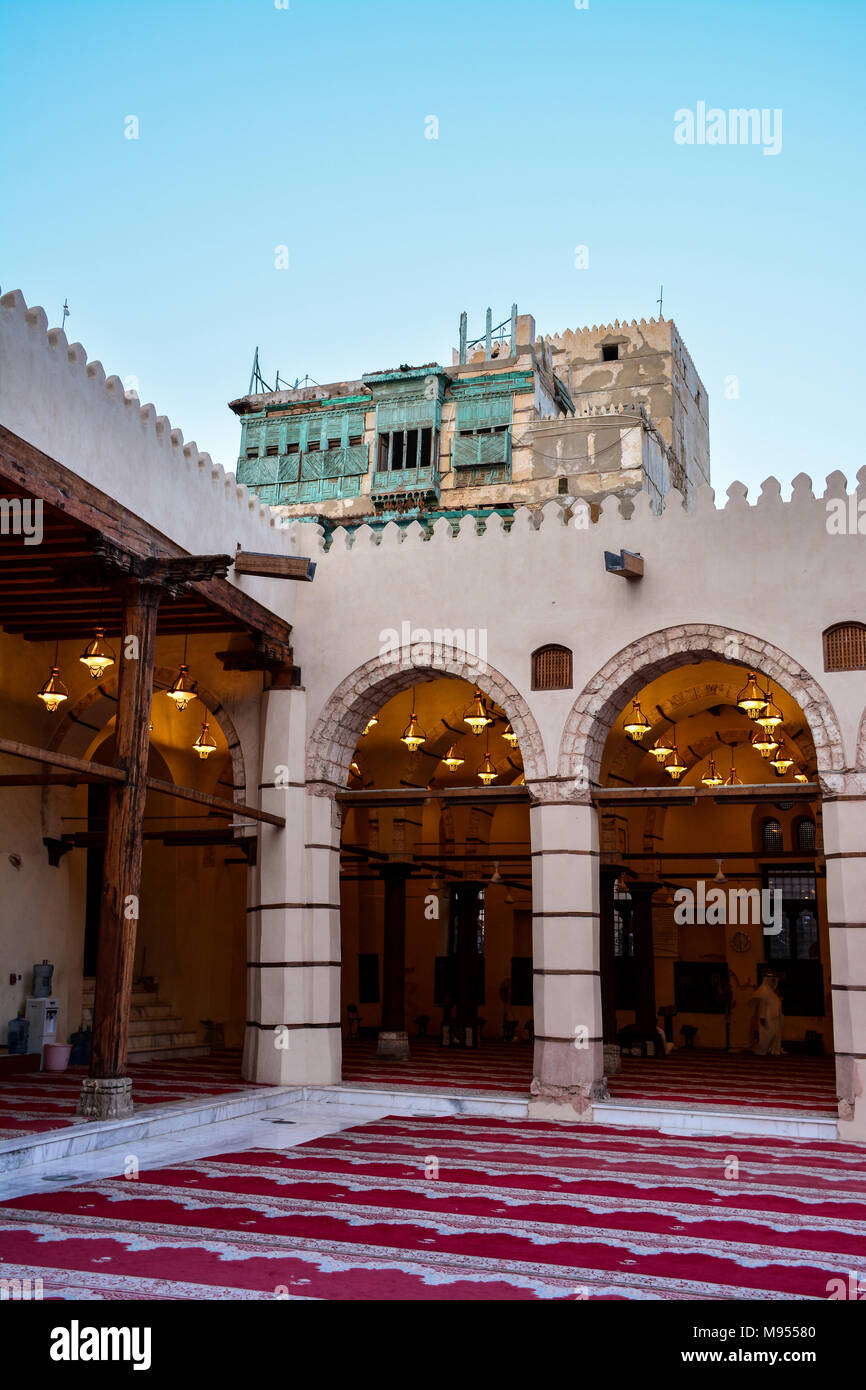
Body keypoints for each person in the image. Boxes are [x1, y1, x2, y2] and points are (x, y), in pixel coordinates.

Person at [751, 972, 783, 1056]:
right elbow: (762, 1005)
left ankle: (771, 1050)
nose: (772, 981)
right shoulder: (763, 991)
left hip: (774, 1017)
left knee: (774, 1035)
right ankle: (760, 1051)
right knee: (766, 1036)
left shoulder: (772, 991)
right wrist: (762, 1017)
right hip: (766, 1017)